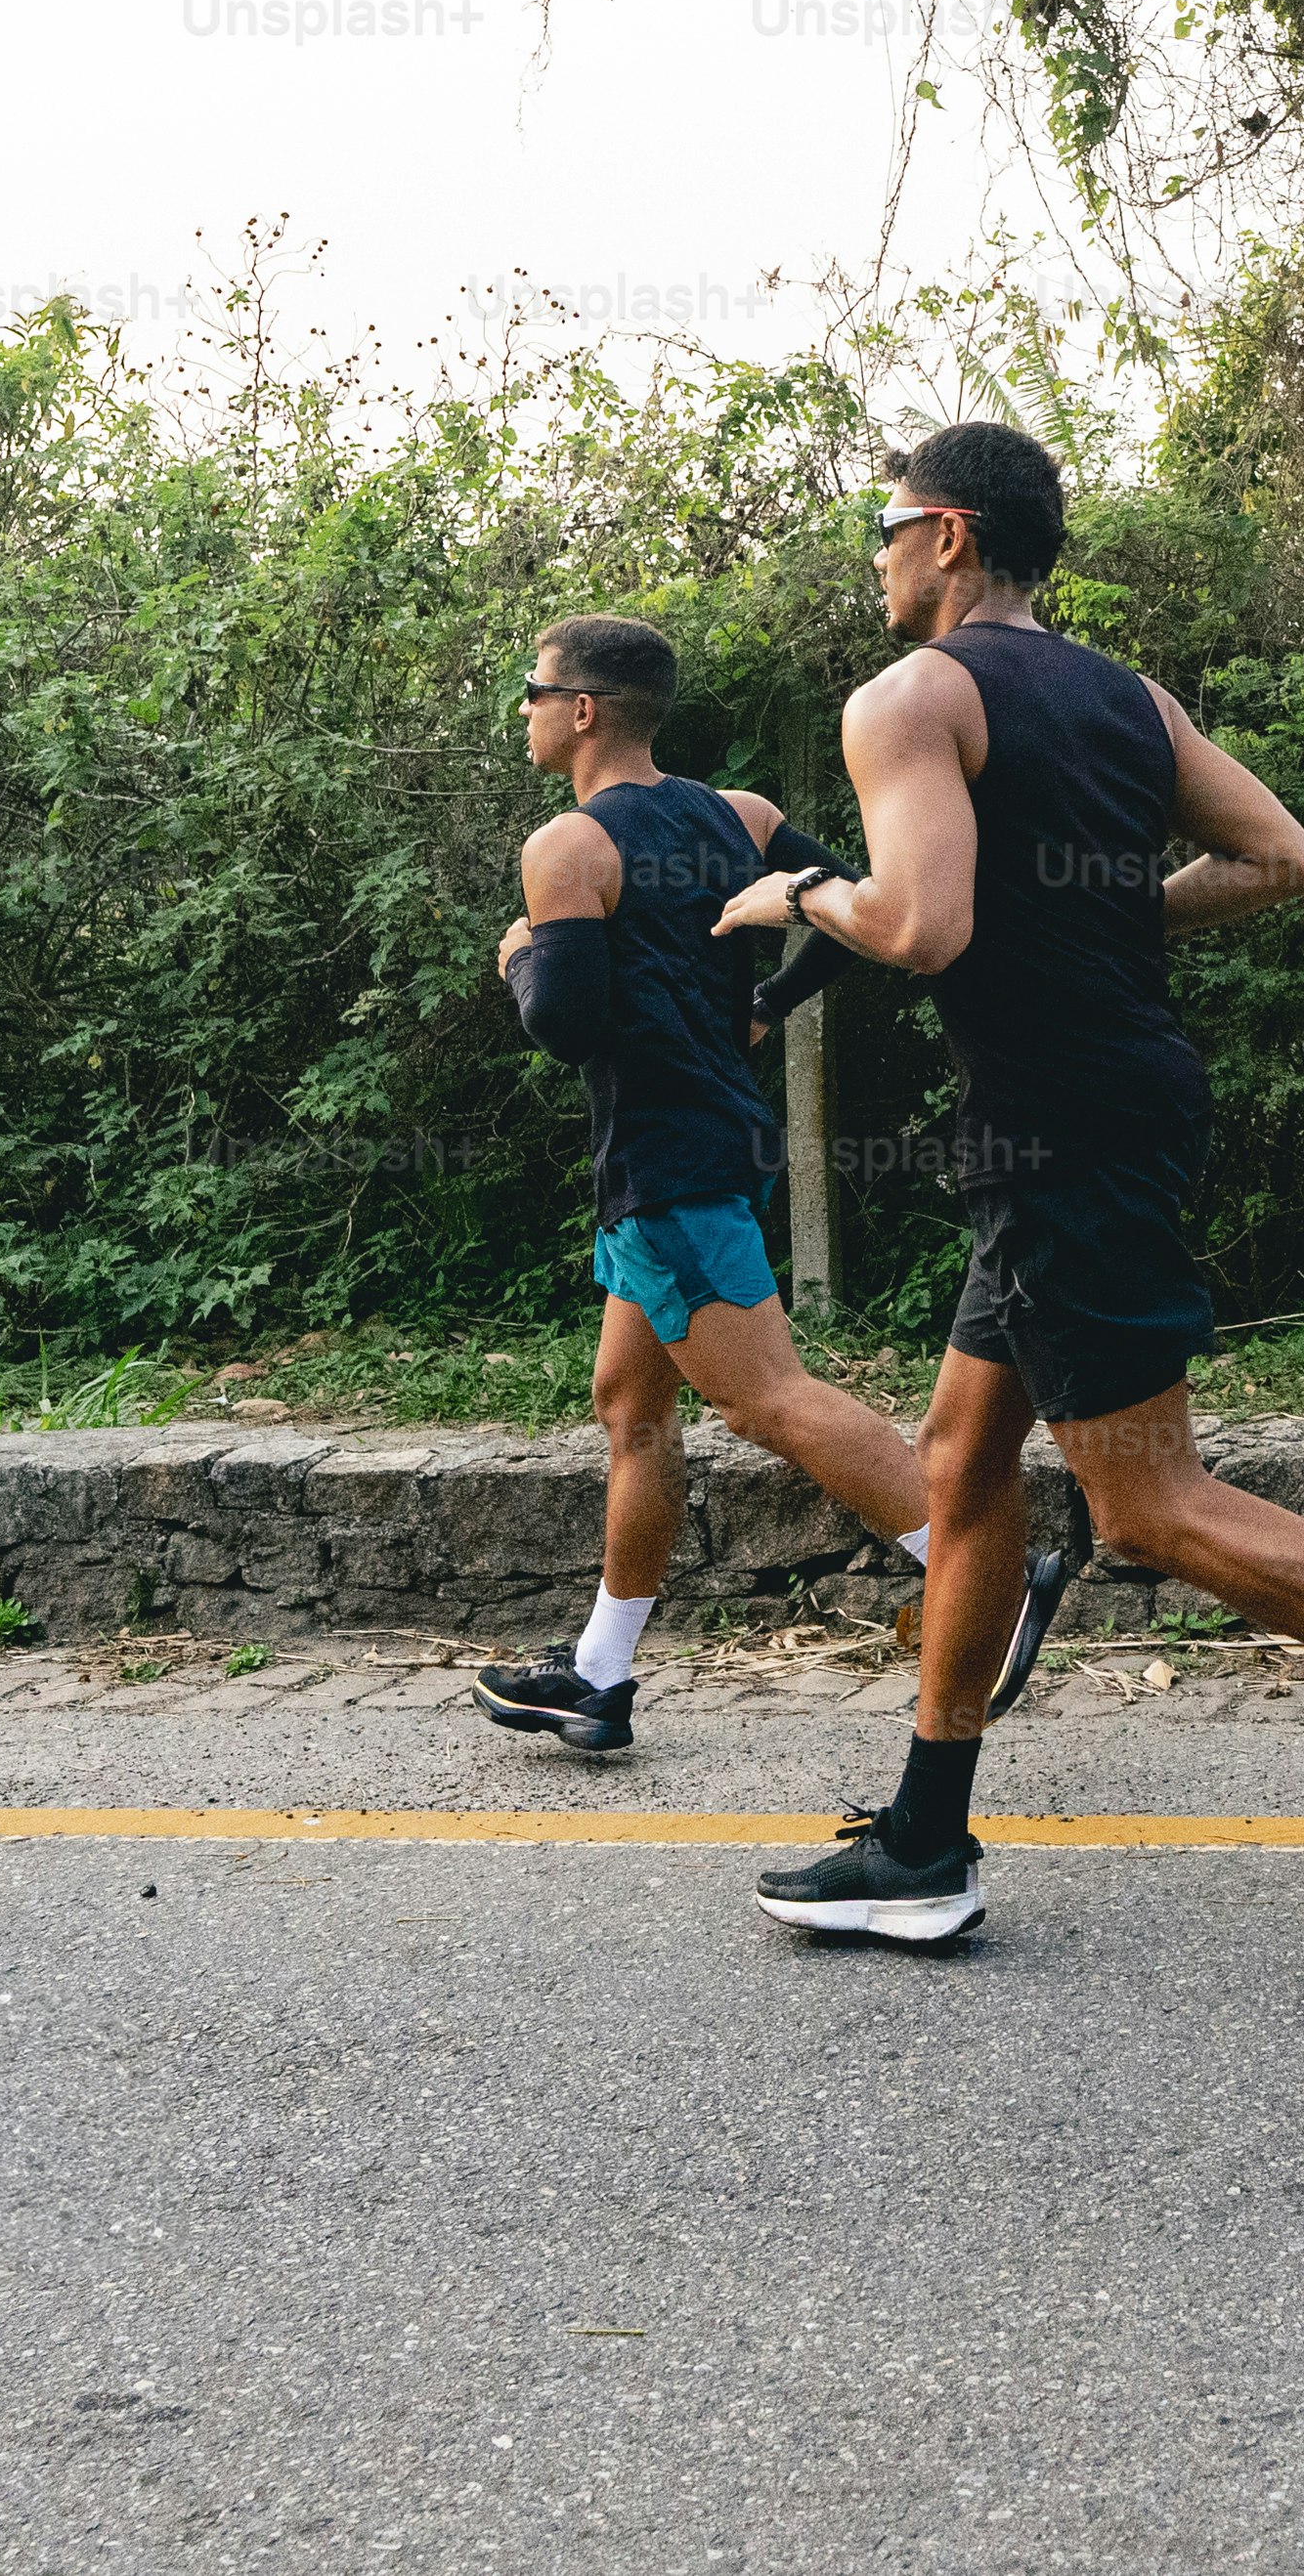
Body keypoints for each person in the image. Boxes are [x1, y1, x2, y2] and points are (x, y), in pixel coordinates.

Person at [731, 425, 1304, 1948]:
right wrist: (1101, 915)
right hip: (1091, 1110)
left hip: (1063, 1128)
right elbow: (1282, 857)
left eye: (888, 526)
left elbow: (920, 925)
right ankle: (928, 1838)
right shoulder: (1125, 696)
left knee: (1147, 1503)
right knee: (958, 1456)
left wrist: (798, 889)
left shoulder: (910, 698)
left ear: (946, 534)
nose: (873, 553)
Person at [479, 613, 1076, 1755]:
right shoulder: (737, 817)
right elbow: (850, 901)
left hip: (665, 1163)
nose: (526, 709)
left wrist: (518, 958)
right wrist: (766, 1005)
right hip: (704, 1145)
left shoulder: (568, 848)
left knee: (764, 1399)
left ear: (585, 708)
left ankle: (984, 1581)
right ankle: (599, 1677)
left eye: (533, 690)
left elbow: (563, 1021)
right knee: (630, 1405)